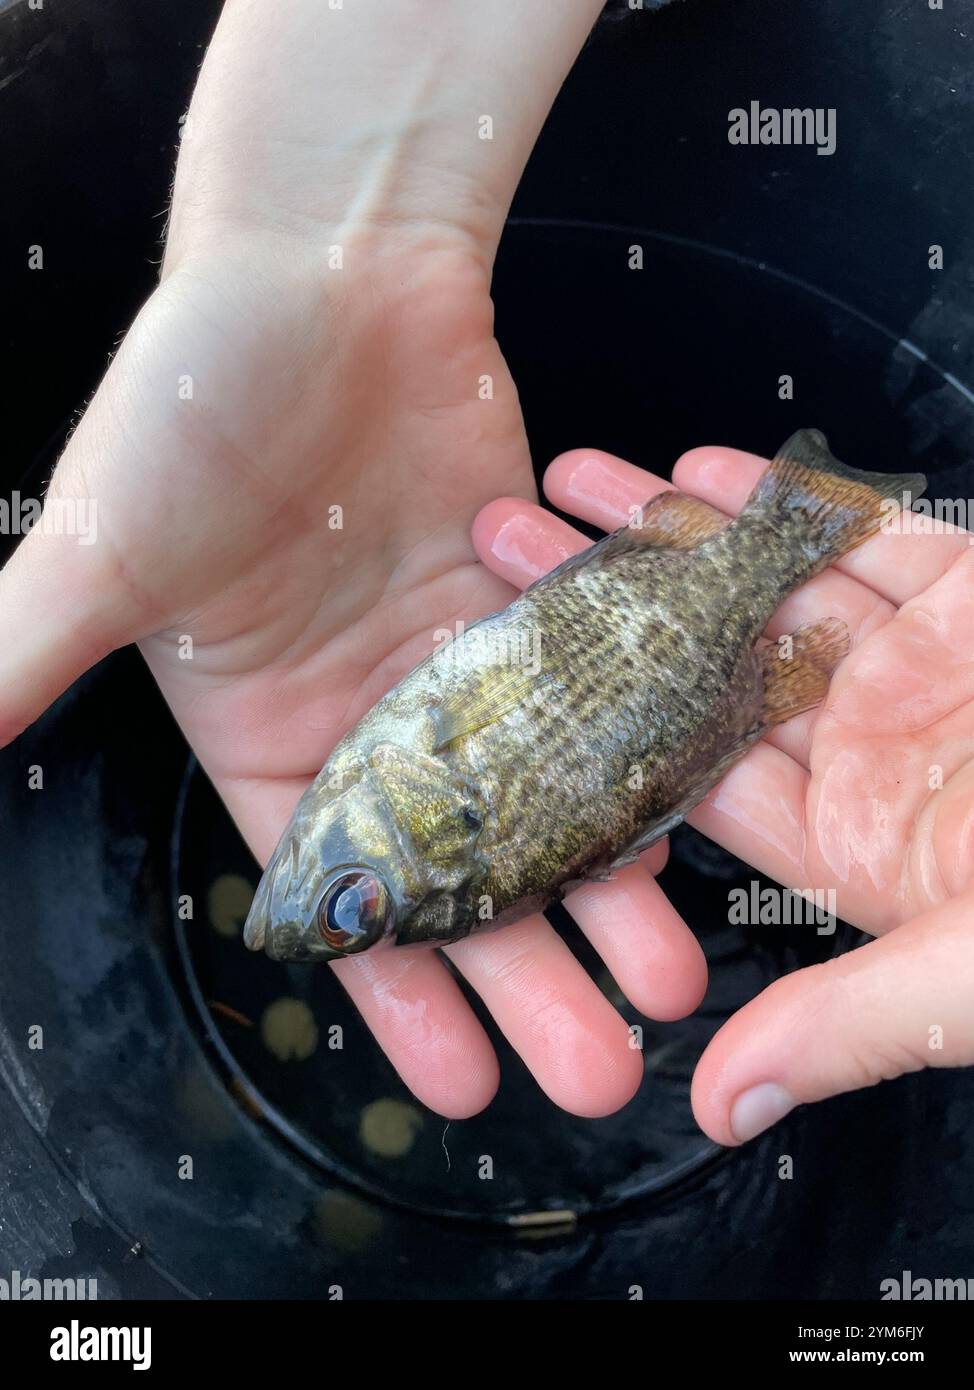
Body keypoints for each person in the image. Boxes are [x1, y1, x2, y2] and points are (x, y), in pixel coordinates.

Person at [2, 0, 972, 1141]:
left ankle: (799, 528)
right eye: (351, 899)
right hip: (655, 637)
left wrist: (305, 238)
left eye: (348, 901)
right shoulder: (411, 808)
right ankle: (803, 526)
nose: (326, 891)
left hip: (665, 638)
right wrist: (312, 248)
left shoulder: (388, 798)